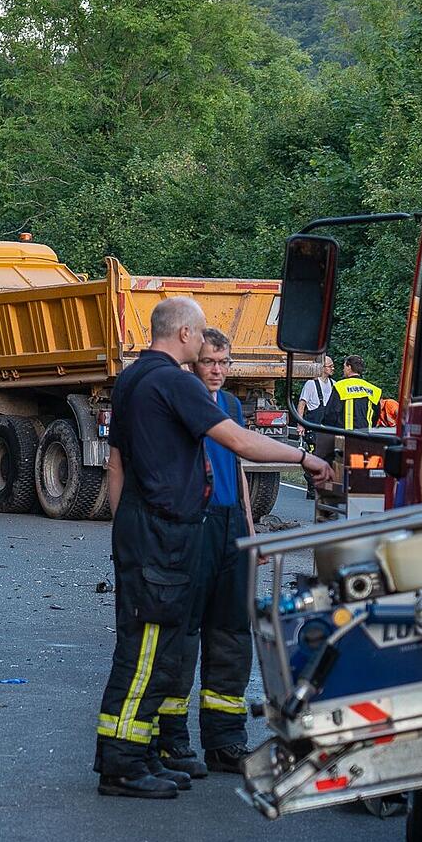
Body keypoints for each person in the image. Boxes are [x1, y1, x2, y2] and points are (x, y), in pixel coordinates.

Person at [96, 297, 336, 800]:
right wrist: (304, 459)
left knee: (153, 646)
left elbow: (116, 467)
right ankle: (121, 764)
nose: (206, 343)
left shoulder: (132, 379)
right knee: (146, 653)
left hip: (143, 528)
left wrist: (127, 535)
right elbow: (242, 444)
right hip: (165, 532)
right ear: (183, 333)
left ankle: (136, 757)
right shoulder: (175, 381)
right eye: (202, 334)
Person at [155, 328, 261, 777]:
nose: (216, 371)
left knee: (234, 632)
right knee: (185, 633)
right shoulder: (181, 404)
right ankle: (172, 740)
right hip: (193, 524)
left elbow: (237, 470)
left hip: (231, 524)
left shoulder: (232, 407)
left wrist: (252, 532)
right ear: (191, 365)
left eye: (223, 362)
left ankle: (226, 741)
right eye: (208, 362)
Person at [333, 355, 384, 433]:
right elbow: (376, 415)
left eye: (344, 367)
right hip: (366, 435)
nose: (343, 370)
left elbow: (331, 413)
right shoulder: (373, 390)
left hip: (345, 435)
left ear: (349, 367)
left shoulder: (340, 386)